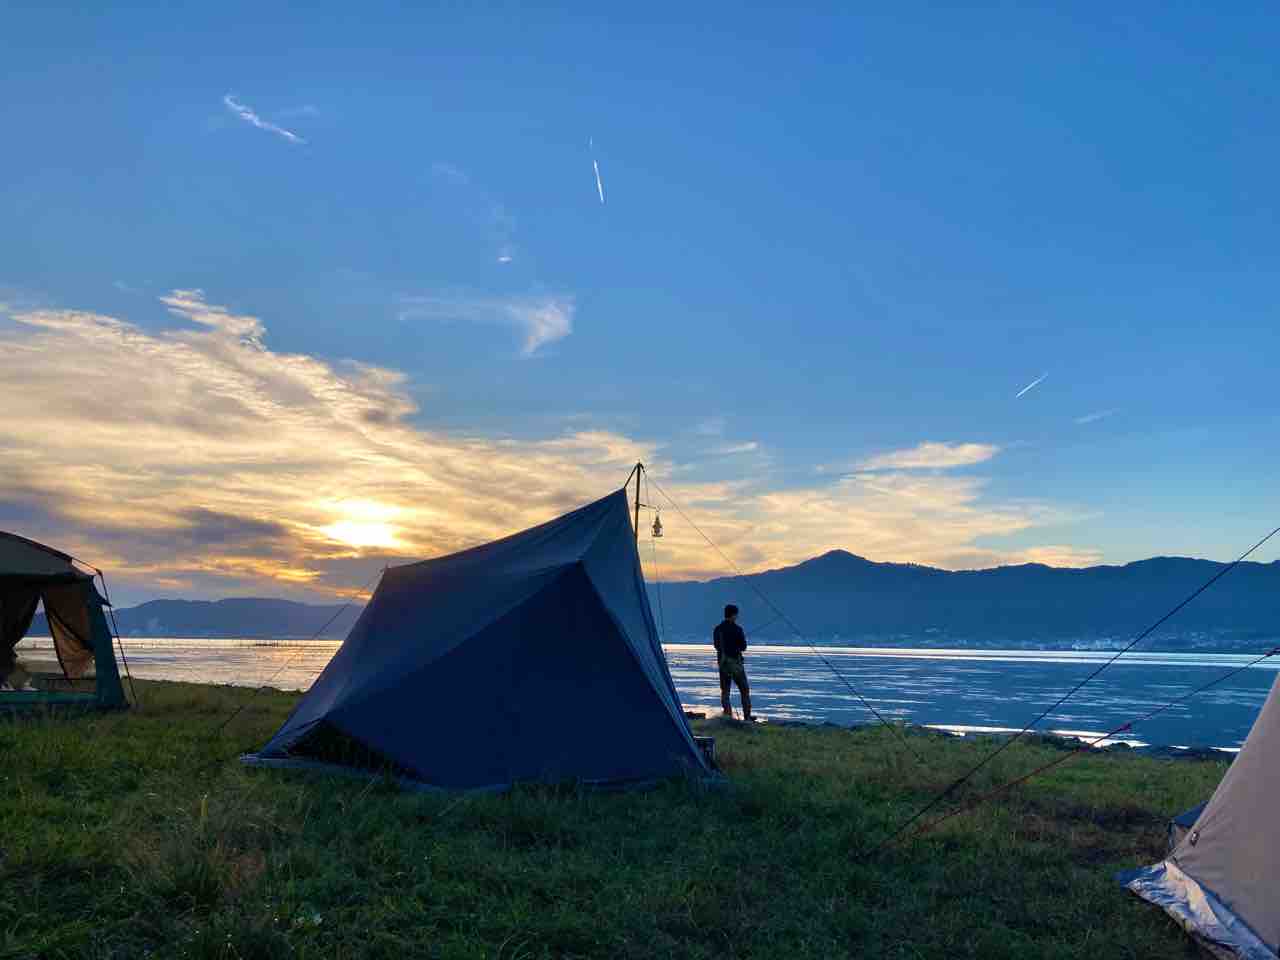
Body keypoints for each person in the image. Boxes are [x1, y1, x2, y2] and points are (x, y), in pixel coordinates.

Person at [713, 603, 752, 721]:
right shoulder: (738, 629)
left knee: (725, 691)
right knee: (744, 690)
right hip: (736, 664)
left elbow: (716, 646)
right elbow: (744, 647)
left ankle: (727, 716)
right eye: (736, 615)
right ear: (734, 615)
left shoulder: (718, 629)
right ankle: (747, 717)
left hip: (723, 663)